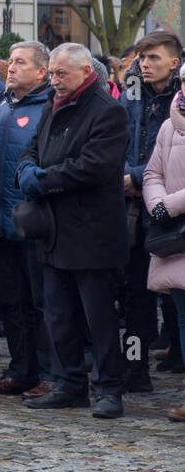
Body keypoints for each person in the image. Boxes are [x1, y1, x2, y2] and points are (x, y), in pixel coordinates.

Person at [17, 43, 129, 418]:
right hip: (54, 228)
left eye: (61, 74)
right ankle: (68, 385)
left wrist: (45, 179)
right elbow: (32, 149)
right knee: (58, 314)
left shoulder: (107, 111)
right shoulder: (53, 105)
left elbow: (94, 166)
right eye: (50, 73)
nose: (54, 80)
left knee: (98, 317)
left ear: (85, 72)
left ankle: (109, 388)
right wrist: (27, 171)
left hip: (92, 230)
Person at [0, 41, 52, 397]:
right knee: (10, 301)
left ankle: (50, 374)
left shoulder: (49, 108)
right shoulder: (1, 109)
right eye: (10, 62)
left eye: (21, 63)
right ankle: (20, 370)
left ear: (42, 72)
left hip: (34, 224)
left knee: (42, 304)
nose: (11, 68)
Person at [119, 31, 183, 392]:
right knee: (135, 295)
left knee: (176, 296)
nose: (145, 64)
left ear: (174, 62)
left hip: (171, 209)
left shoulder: (180, 99)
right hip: (132, 212)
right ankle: (135, 368)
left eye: (153, 58)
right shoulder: (131, 97)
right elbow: (120, 140)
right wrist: (123, 176)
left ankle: (177, 356)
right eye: (142, 58)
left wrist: (138, 177)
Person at [140, 63, 185, 421]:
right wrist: (155, 203)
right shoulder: (170, 125)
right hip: (176, 235)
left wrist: (167, 205)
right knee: (184, 317)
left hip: (174, 217)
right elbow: (153, 171)